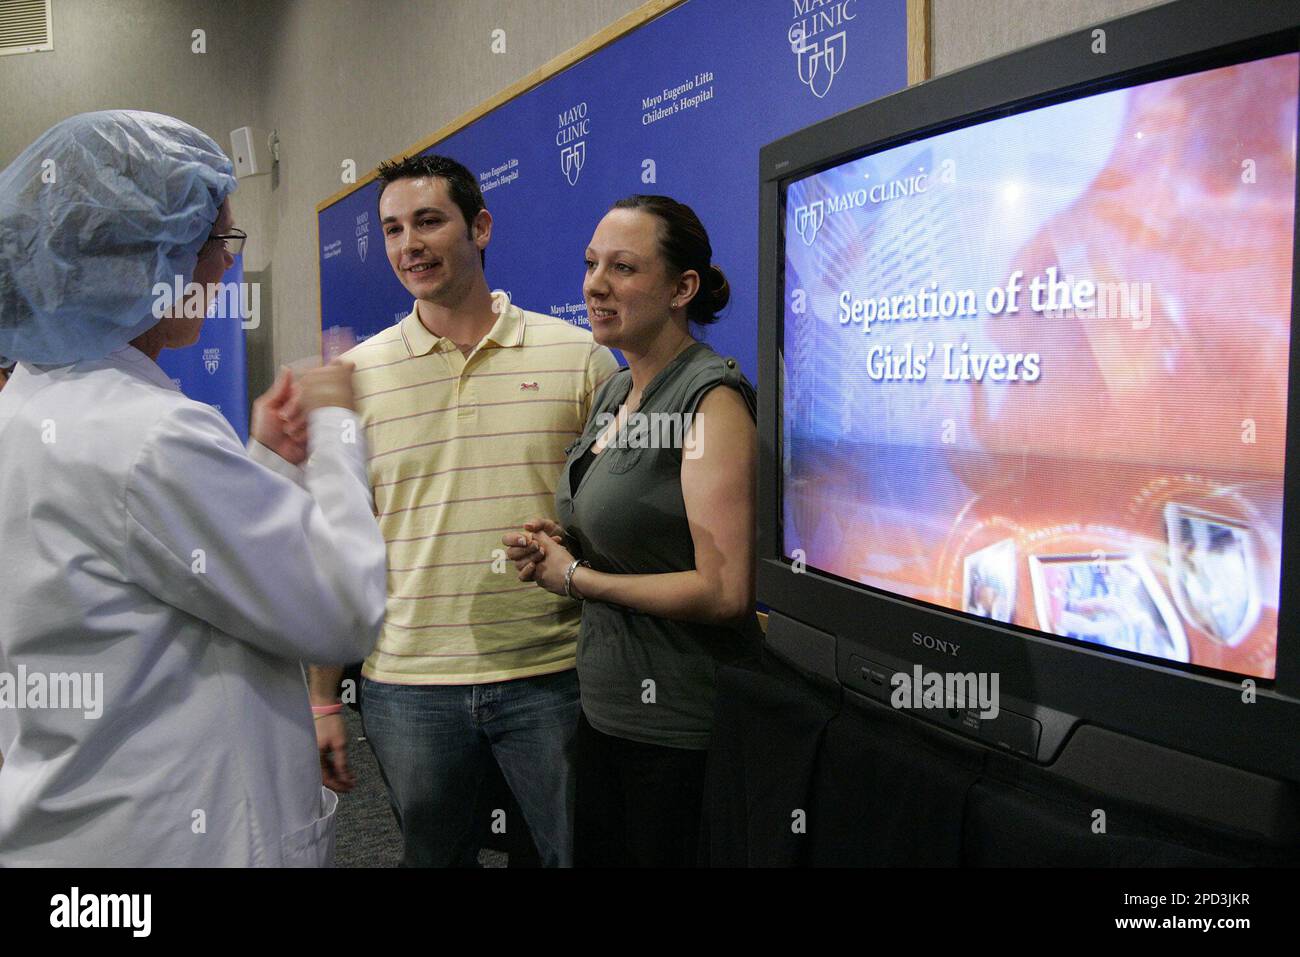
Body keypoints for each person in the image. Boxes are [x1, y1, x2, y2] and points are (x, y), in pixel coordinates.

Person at [0, 111, 387, 866]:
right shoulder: (147, 435)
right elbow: (342, 607)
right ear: (152, 258)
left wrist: (264, 462)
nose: (224, 268)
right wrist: (339, 429)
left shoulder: (32, 406)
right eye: (219, 243)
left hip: (85, 826)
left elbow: (178, 566)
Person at [308, 154, 619, 867]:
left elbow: (613, 517)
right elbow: (335, 546)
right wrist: (325, 698)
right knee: (433, 858)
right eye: (392, 229)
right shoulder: (355, 377)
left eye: (427, 220)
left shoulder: (581, 360)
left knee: (570, 854)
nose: (408, 244)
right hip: (408, 683)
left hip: (553, 673)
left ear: (479, 226)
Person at [504, 195, 763, 866]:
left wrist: (578, 578)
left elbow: (724, 590)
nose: (595, 284)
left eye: (623, 267)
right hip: (603, 710)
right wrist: (561, 542)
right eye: (592, 264)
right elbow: (623, 529)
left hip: (679, 728)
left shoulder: (711, 398)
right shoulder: (617, 391)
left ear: (683, 288)